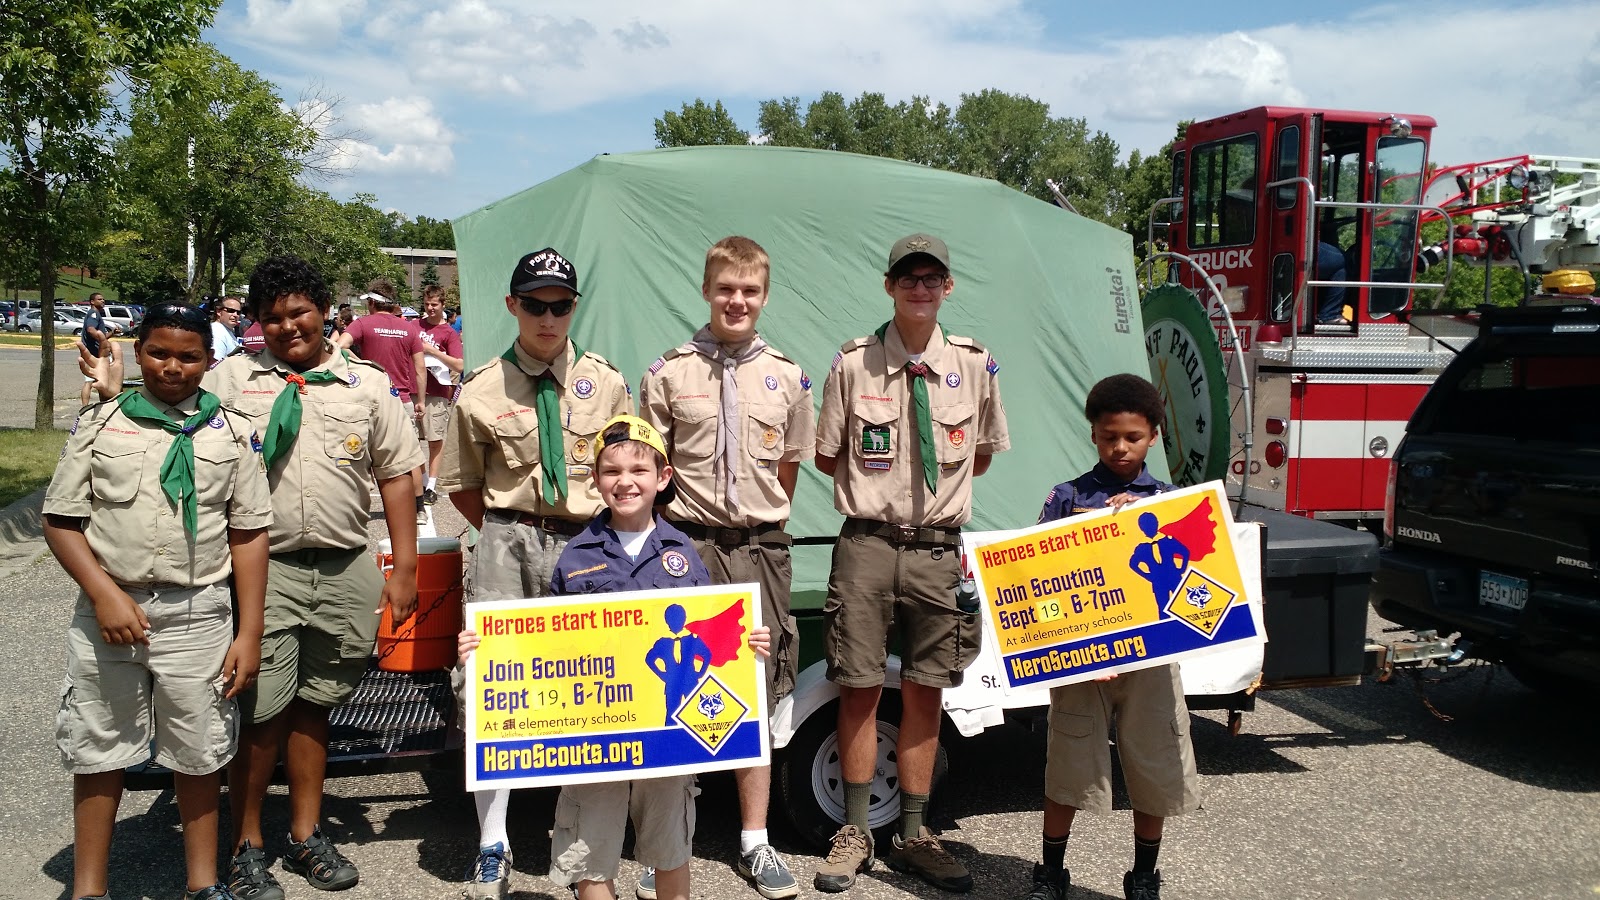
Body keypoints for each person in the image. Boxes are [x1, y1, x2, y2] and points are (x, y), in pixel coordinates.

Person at [460, 414, 771, 900]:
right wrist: (485, 649)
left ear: (663, 478)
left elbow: (710, 635)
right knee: (592, 853)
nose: (625, 481)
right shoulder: (576, 556)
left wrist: (748, 644)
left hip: (669, 735)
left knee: (670, 848)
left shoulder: (683, 553)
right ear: (597, 481)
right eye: (611, 471)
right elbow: (547, 645)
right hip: (596, 737)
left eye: (639, 470)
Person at [205, 255, 425, 900]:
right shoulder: (230, 382)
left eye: (298, 312)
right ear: (257, 323)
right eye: (271, 317)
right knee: (259, 710)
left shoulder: (364, 384)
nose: (287, 327)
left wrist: (403, 568)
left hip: (344, 566)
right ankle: (246, 845)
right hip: (261, 572)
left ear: (324, 312)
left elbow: (395, 475)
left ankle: (305, 835)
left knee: (314, 706)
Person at [43, 303, 272, 900]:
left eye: (189, 356)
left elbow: (249, 534)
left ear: (210, 359)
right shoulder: (101, 423)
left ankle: (203, 882)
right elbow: (62, 521)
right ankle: (88, 888)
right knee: (99, 747)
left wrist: (249, 633)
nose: (173, 367)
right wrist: (104, 595)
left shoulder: (233, 430)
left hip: (198, 613)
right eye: (159, 353)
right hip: (109, 614)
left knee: (198, 750)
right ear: (139, 351)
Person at [812, 234, 1009, 894]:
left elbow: (980, 454)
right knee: (859, 686)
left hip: (935, 552)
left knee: (927, 689)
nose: (920, 289)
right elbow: (826, 454)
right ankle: (857, 831)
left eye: (932, 278)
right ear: (888, 285)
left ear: (948, 286)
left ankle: (916, 832)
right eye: (907, 278)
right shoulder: (852, 365)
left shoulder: (975, 366)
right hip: (866, 545)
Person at [437, 247, 631, 899]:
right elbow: (464, 487)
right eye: (535, 304)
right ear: (512, 306)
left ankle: (576, 841)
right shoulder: (481, 389)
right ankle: (493, 843)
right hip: (507, 541)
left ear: (575, 307)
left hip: (585, 543)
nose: (549, 317)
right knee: (492, 688)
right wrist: (511, 532)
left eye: (561, 305)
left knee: (589, 685)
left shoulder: (606, 383)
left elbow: (622, 472)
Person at [638, 235, 812, 899]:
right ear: (706, 290)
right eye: (725, 289)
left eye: (749, 291)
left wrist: (753, 525)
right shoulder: (668, 374)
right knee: (680, 683)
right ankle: (670, 841)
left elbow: (788, 471)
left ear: (764, 296)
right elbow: (653, 470)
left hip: (758, 549)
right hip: (686, 546)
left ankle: (754, 841)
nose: (736, 301)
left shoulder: (790, 379)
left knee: (756, 687)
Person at [1021, 373, 1199, 900]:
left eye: (1133, 437)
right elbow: (1030, 573)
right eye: (1108, 437)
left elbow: (1198, 581)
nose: (1120, 447)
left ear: (1154, 436)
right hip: (1082, 659)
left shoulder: (1172, 503)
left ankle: (1144, 875)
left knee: (1154, 760)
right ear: (1093, 435)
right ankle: (1051, 870)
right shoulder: (1067, 497)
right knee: (1069, 761)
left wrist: (1144, 524)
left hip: (1150, 659)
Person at [339, 278, 429, 525]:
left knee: (361, 453)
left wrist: (359, 366)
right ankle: (418, 509)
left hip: (369, 398)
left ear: (371, 302)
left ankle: (357, 507)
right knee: (409, 456)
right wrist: (420, 400)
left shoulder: (363, 324)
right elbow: (420, 368)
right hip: (401, 399)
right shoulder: (409, 329)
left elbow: (339, 347)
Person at [417, 284, 464, 504]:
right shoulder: (415, 325)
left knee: (435, 441)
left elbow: (459, 365)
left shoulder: (448, 333)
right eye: (427, 304)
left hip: (437, 392)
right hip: (413, 391)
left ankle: (432, 486)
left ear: (442, 305)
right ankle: (424, 480)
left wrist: (433, 351)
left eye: (434, 304)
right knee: (412, 441)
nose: (430, 308)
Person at [80, 292, 109, 406]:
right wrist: (102, 341)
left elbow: (101, 336)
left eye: (103, 299)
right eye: (100, 299)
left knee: (98, 380)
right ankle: (85, 407)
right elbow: (91, 330)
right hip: (93, 354)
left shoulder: (96, 314)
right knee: (90, 381)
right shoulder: (93, 314)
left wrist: (111, 334)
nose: (103, 301)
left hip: (95, 352)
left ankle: (104, 404)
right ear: (92, 302)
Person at [210, 296, 244, 364]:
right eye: (231, 311)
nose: (235, 315)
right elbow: (214, 364)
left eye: (238, 312)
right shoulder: (216, 332)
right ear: (219, 312)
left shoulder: (226, 331)